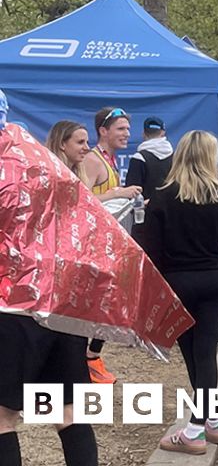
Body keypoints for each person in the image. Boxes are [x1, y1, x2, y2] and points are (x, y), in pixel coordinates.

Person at [2, 91, 99, 466]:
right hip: (57, 303)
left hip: (11, 306)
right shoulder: (45, 164)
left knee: (2, 417)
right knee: (65, 411)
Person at [144, 131, 218, 455]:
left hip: (176, 284)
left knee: (193, 356)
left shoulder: (161, 197)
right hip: (213, 281)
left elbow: (152, 253)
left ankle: (196, 429)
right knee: (205, 355)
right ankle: (211, 418)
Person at [80, 107, 142, 384]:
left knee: (109, 302)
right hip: (91, 248)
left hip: (106, 245)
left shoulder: (109, 159)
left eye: (127, 129)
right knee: (101, 303)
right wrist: (117, 193)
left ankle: (91, 357)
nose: (126, 134)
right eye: (120, 128)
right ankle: (88, 359)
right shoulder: (93, 160)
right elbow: (82, 199)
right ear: (103, 131)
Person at [125, 117, 173, 200]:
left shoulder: (138, 158)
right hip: (172, 210)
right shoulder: (177, 157)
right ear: (163, 133)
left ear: (143, 134)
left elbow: (131, 192)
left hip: (146, 210)